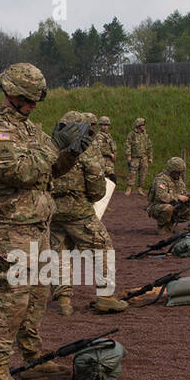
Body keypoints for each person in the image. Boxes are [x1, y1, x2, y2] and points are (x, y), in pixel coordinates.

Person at [0, 63, 79, 380]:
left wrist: (72, 151)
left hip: (38, 226)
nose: (34, 105)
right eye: (28, 99)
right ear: (12, 94)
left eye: (37, 99)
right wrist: (54, 147)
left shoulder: (30, 129)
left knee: (36, 296)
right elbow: (17, 172)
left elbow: (49, 171)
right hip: (13, 227)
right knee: (12, 298)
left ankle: (32, 357)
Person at [49, 111, 128, 315]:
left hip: (53, 211)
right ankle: (105, 296)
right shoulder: (86, 149)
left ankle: (64, 301)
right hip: (79, 211)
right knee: (102, 247)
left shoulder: (51, 147)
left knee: (59, 253)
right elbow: (96, 188)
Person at [147, 154, 190, 235]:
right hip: (157, 206)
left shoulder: (178, 180)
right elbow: (161, 196)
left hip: (173, 204)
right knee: (168, 208)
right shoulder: (161, 179)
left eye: (180, 172)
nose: (179, 174)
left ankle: (171, 223)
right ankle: (162, 227)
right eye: (178, 172)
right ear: (171, 170)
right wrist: (177, 197)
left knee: (189, 207)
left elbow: (184, 193)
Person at [124, 117, 153, 195]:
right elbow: (128, 145)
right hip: (135, 157)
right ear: (138, 125)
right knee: (132, 173)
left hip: (144, 157)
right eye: (142, 124)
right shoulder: (132, 134)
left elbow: (149, 146)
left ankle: (140, 188)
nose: (144, 126)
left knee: (143, 173)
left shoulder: (145, 134)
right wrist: (128, 155)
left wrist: (150, 157)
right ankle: (129, 188)